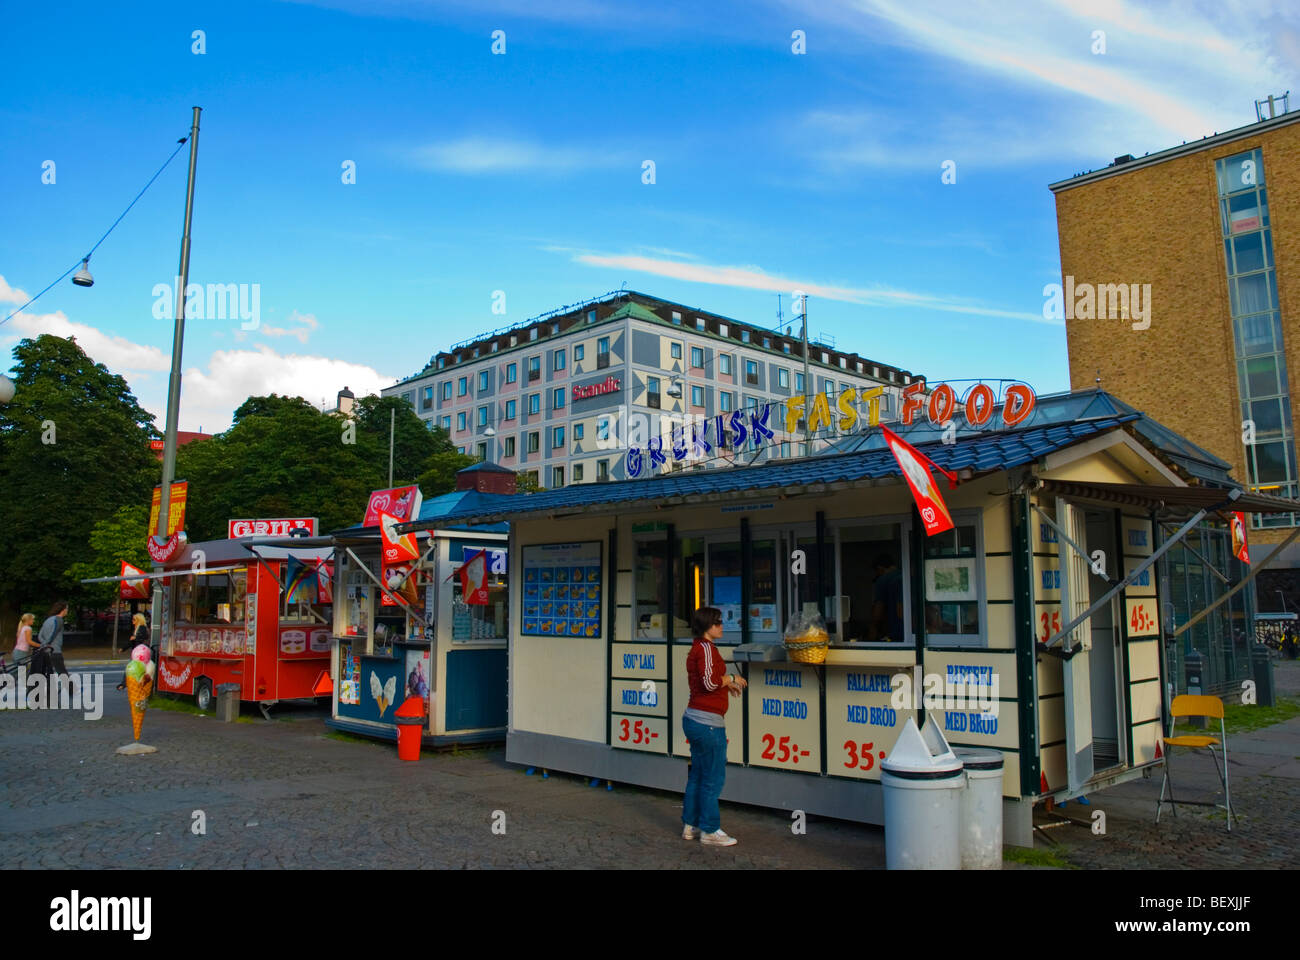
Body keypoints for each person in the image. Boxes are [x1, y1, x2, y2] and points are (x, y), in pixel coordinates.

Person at [681, 605, 746, 846]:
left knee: (698, 775)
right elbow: (708, 683)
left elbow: (704, 682)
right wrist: (731, 678)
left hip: (695, 719)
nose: (721, 626)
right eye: (718, 622)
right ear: (708, 626)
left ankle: (691, 825)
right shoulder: (707, 649)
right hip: (708, 723)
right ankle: (709, 830)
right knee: (712, 778)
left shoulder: (698, 649)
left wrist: (725, 685)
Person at [871, 555, 905, 642]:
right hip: (912, 633)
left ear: (880, 569)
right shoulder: (906, 576)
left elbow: (878, 613)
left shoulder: (883, 580)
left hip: (896, 633)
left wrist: (872, 633)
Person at [37, 601, 69, 677]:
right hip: (54, 650)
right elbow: (52, 634)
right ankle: (72, 689)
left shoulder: (48, 620)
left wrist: (43, 644)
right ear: (63, 609)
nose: (67, 611)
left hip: (45, 652)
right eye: (67, 608)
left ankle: (49, 689)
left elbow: (40, 635)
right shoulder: (59, 620)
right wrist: (46, 643)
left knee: (49, 674)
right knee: (63, 674)